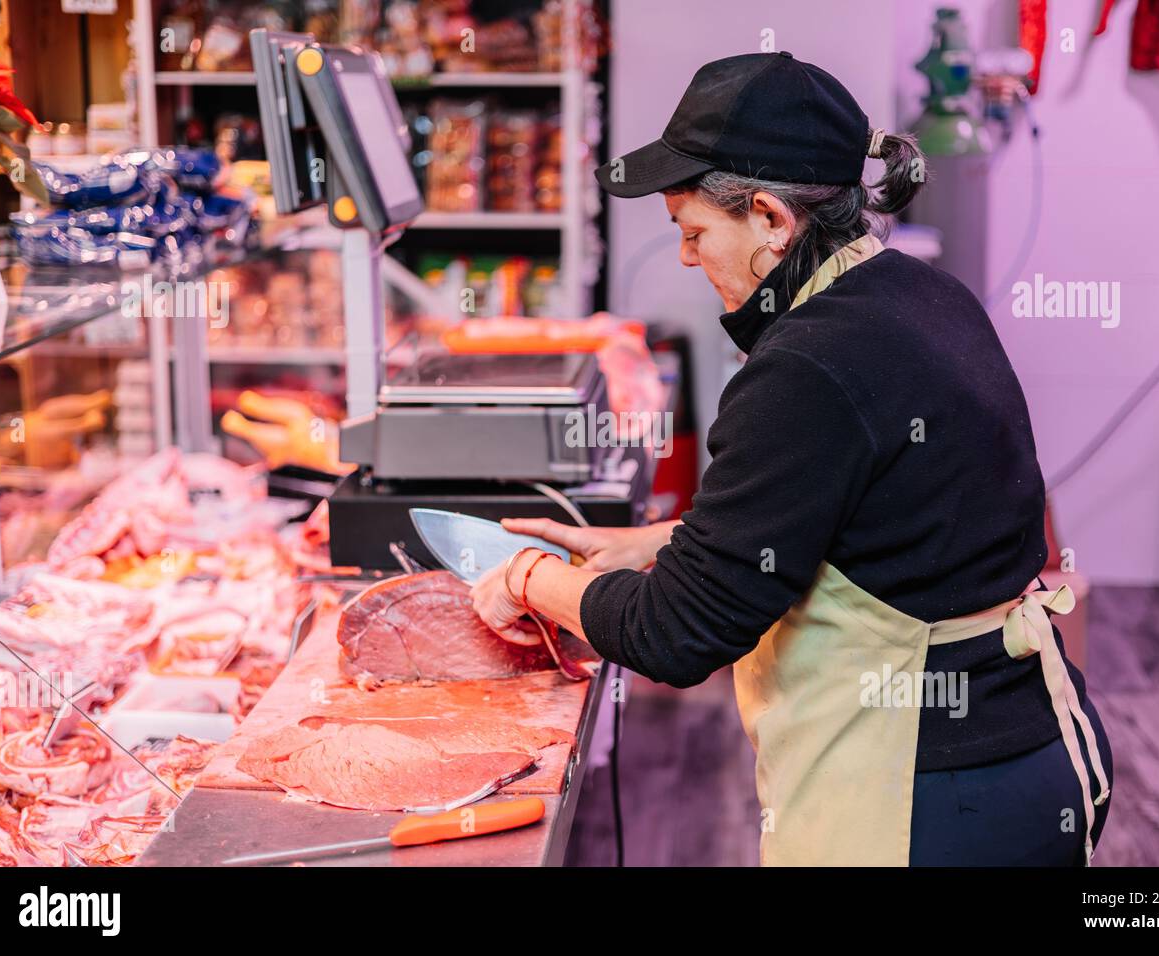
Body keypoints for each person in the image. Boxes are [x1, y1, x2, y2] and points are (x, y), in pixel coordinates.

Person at [471, 51, 1112, 866]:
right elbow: (871, 521)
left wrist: (525, 574)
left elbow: (676, 634)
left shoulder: (806, 366)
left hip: (927, 798)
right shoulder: (919, 294)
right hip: (1030, 751)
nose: (685, 258)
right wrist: (666, 542)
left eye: (693, 231)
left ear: (772, 218)